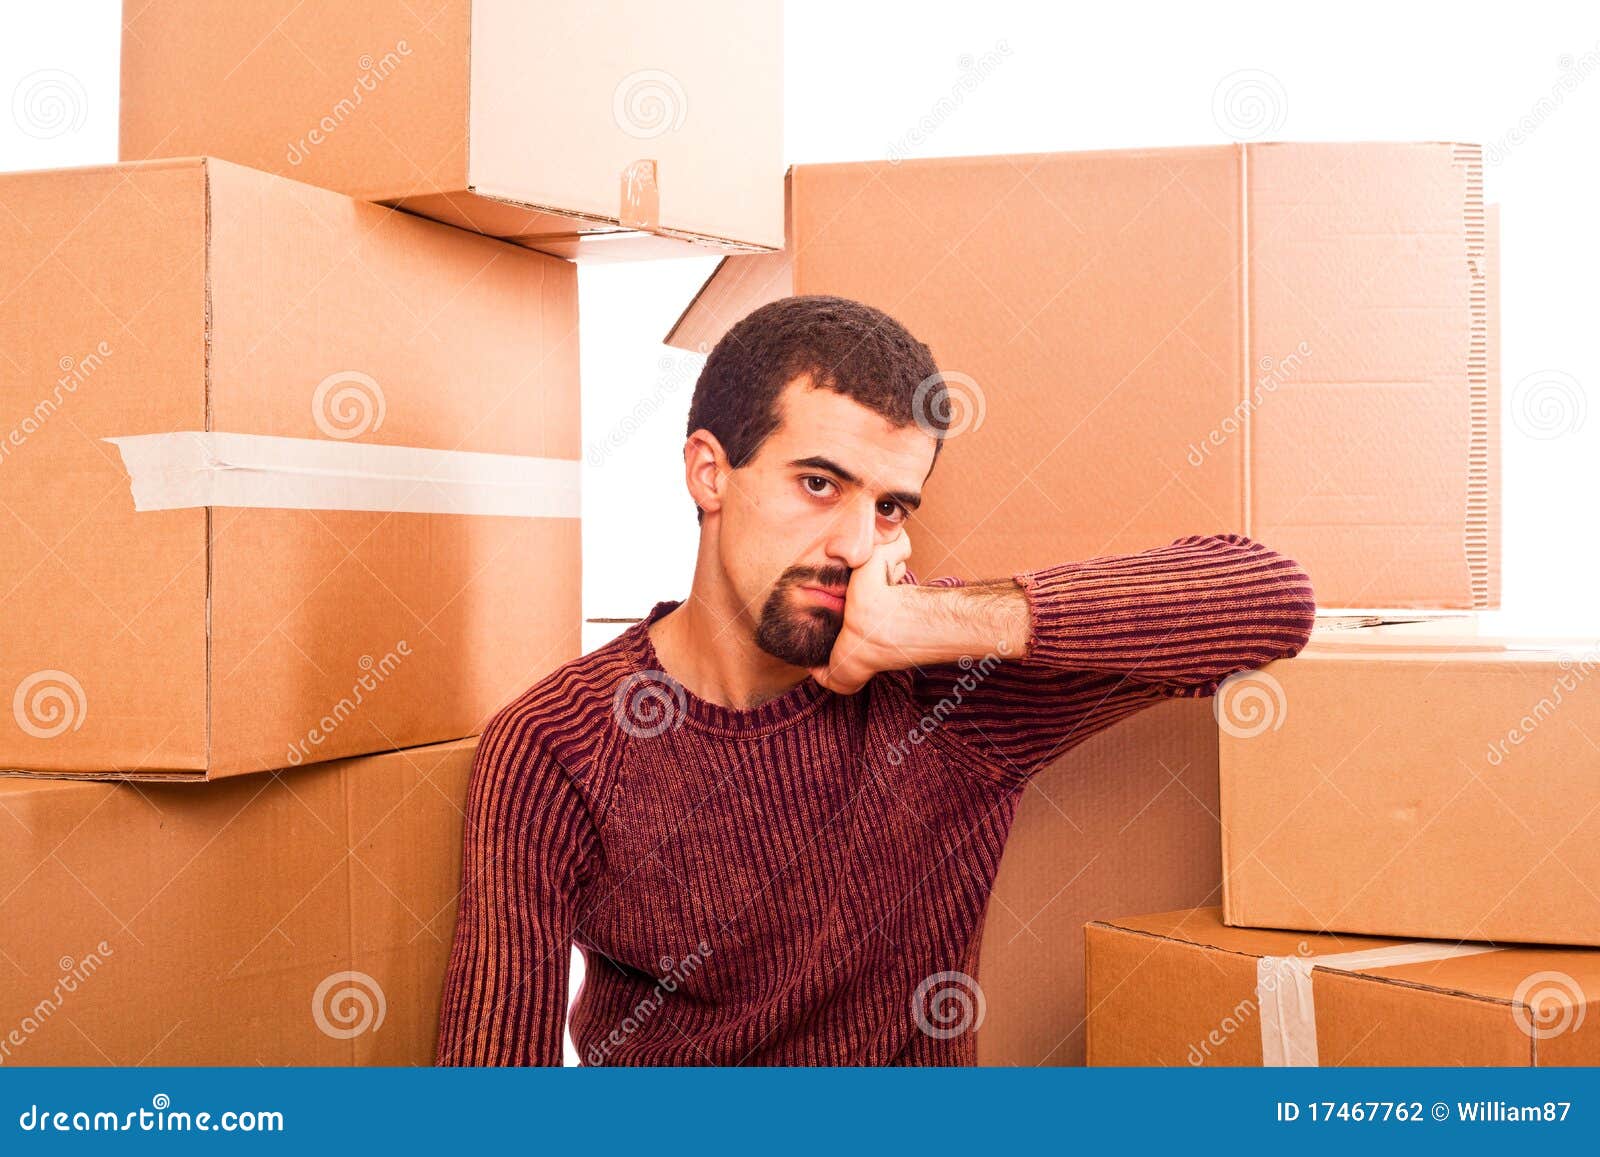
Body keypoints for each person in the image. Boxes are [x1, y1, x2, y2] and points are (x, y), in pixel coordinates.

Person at [435, 295, 1315, 1065]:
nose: (858, 545)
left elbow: (1270, 598)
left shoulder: (944, 692)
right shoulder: (556, 744)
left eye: (890, 506)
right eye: (820, 482)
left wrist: (934, 622)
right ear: (711, 472)